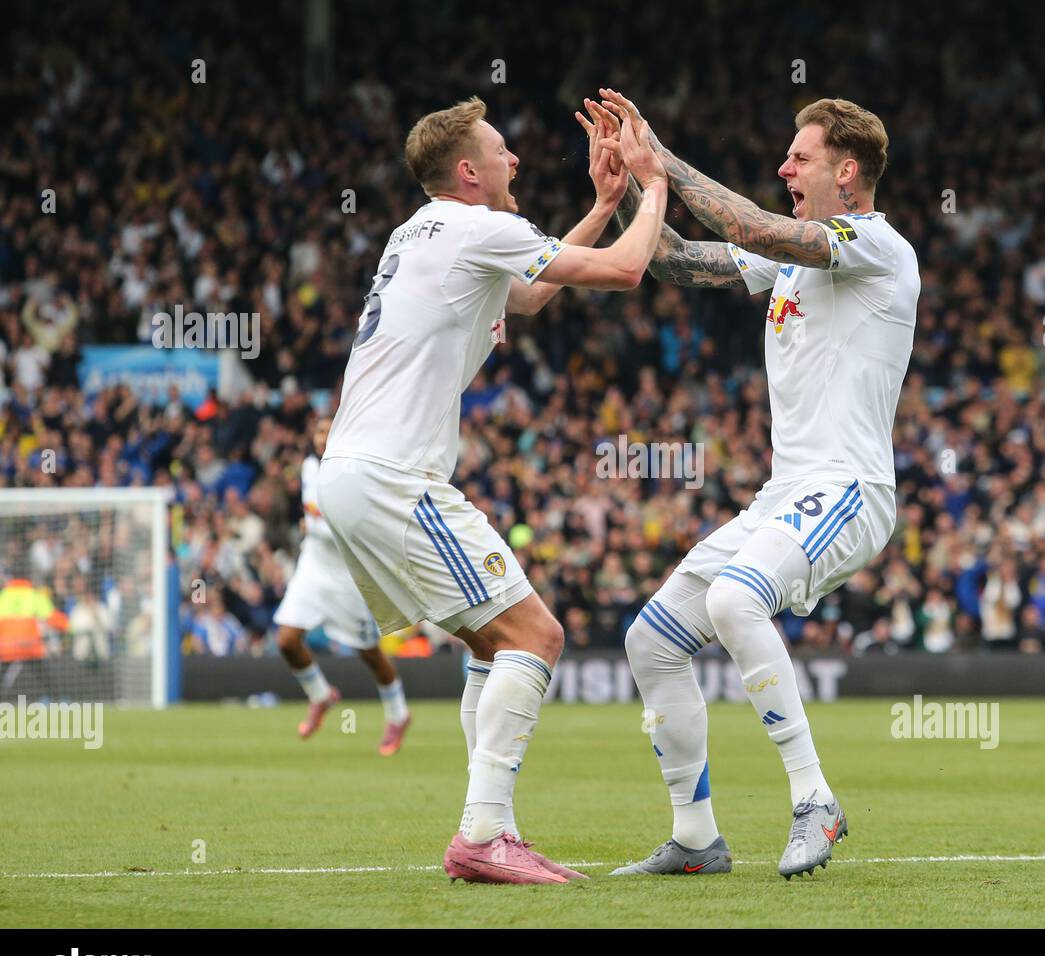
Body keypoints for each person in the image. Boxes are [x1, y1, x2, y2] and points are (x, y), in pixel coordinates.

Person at [317, 96, 669, 885]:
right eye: (504, 152)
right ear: (469, 172)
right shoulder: (479, 228)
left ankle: (493, 831)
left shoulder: (419, 232)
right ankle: (482, 835)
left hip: (353, 474)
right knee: (535, 638)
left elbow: (531, 294)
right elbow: (626, 270)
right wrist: (655, 187)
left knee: (490, 644)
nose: (518, 163)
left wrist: (606, 204)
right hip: (391, 476)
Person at [597, 90, 918, 879]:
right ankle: (698, 838)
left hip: (849, 486)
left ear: (848, 171)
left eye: (798, 157)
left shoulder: (876, 245)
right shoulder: (796, 258)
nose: (783, 167)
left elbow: (750, 225)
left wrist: (662, 158)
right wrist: (623, 191)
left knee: (735, 599)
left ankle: (815, 800)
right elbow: (672, 258)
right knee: (652, 640)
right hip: (785, 495)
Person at [274, 415, 411, 755]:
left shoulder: (356, 472)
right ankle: (321, 695)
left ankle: (399, 714)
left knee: (368, 653)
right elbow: (316, 519)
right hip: (313, 566)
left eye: (328, 431)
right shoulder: (308, 465)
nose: (321, 437)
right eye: (318, 431)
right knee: (287, 640)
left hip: (348, 575)